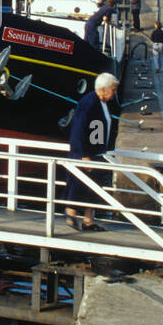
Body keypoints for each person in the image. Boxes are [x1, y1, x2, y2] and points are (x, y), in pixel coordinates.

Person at [63, 72, 120, 232]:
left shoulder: (101, 102)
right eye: (113, 90)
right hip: (85, 153)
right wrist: (84, 155)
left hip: (97, 152)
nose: (114, 93)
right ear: (103, 89)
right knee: (79, 183)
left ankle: (88, 220)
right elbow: (78, 131)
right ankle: (70, 213)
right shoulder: (88, 103)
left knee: (94, 186)